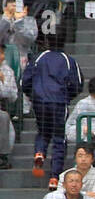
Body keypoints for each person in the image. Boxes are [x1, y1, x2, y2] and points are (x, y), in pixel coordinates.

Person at [21, 44, 81, 174]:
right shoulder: (68, 60)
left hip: (40, 102)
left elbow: (25, 81)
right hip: (59, 102)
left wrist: (33, 95)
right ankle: (55, 175)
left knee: (43, 131)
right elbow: (77, 84)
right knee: (59, 137)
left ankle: (39, 152)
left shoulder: (38, 58)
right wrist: (67, 96)